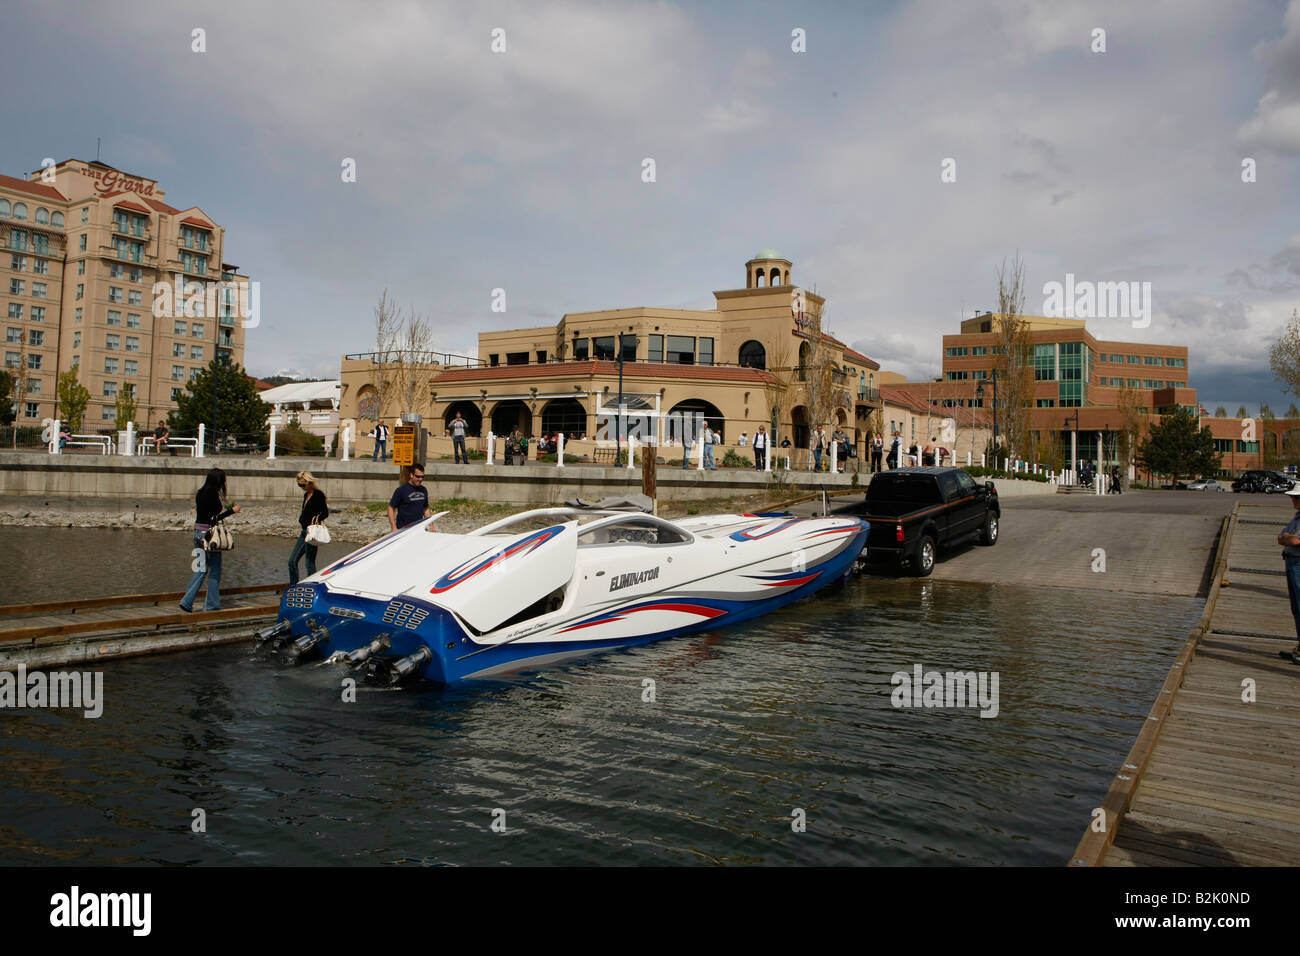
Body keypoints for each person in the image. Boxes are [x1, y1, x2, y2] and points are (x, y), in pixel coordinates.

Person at [179, 467, 240, 612]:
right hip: (209, 537)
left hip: (197, 534)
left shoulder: (200, 493)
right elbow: (213, 519)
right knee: (215, 571)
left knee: (200, 569)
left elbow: (203, 515)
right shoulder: (213, 495)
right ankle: (211, 606)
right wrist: (232, 511)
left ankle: (187, 601)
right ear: (219, 482)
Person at [289, 470, 328, 585]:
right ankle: (293, 586)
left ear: (310, 483)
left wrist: (315, 518)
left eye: (303, 485)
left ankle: (311, 587)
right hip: (304, 532)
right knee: (292, 561)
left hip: (311, 532)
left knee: (309, 562)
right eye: (299, 485)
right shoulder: (306, 495)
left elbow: (325, 512)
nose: (302, 487)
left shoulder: (318, 495)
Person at [1279, 485, 1300, 664]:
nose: (1293, 500)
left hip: (1299, 564)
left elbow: (1293, 539)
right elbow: (1281, 537)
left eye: (1297, 497)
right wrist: (1288, 538)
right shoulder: (1297, 517)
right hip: (1291, 561)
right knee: (1296, 607)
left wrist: (1288, 538)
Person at [389, 463, 432, 531]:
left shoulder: (424, 490)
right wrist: (394, 527)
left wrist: (431, 525)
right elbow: (391, 508)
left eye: (422, 477)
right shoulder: (401, 490)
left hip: (419, 528)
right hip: (403, 529)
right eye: (418, 476)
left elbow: (425, 509)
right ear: (411, 475)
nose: (420, 479)